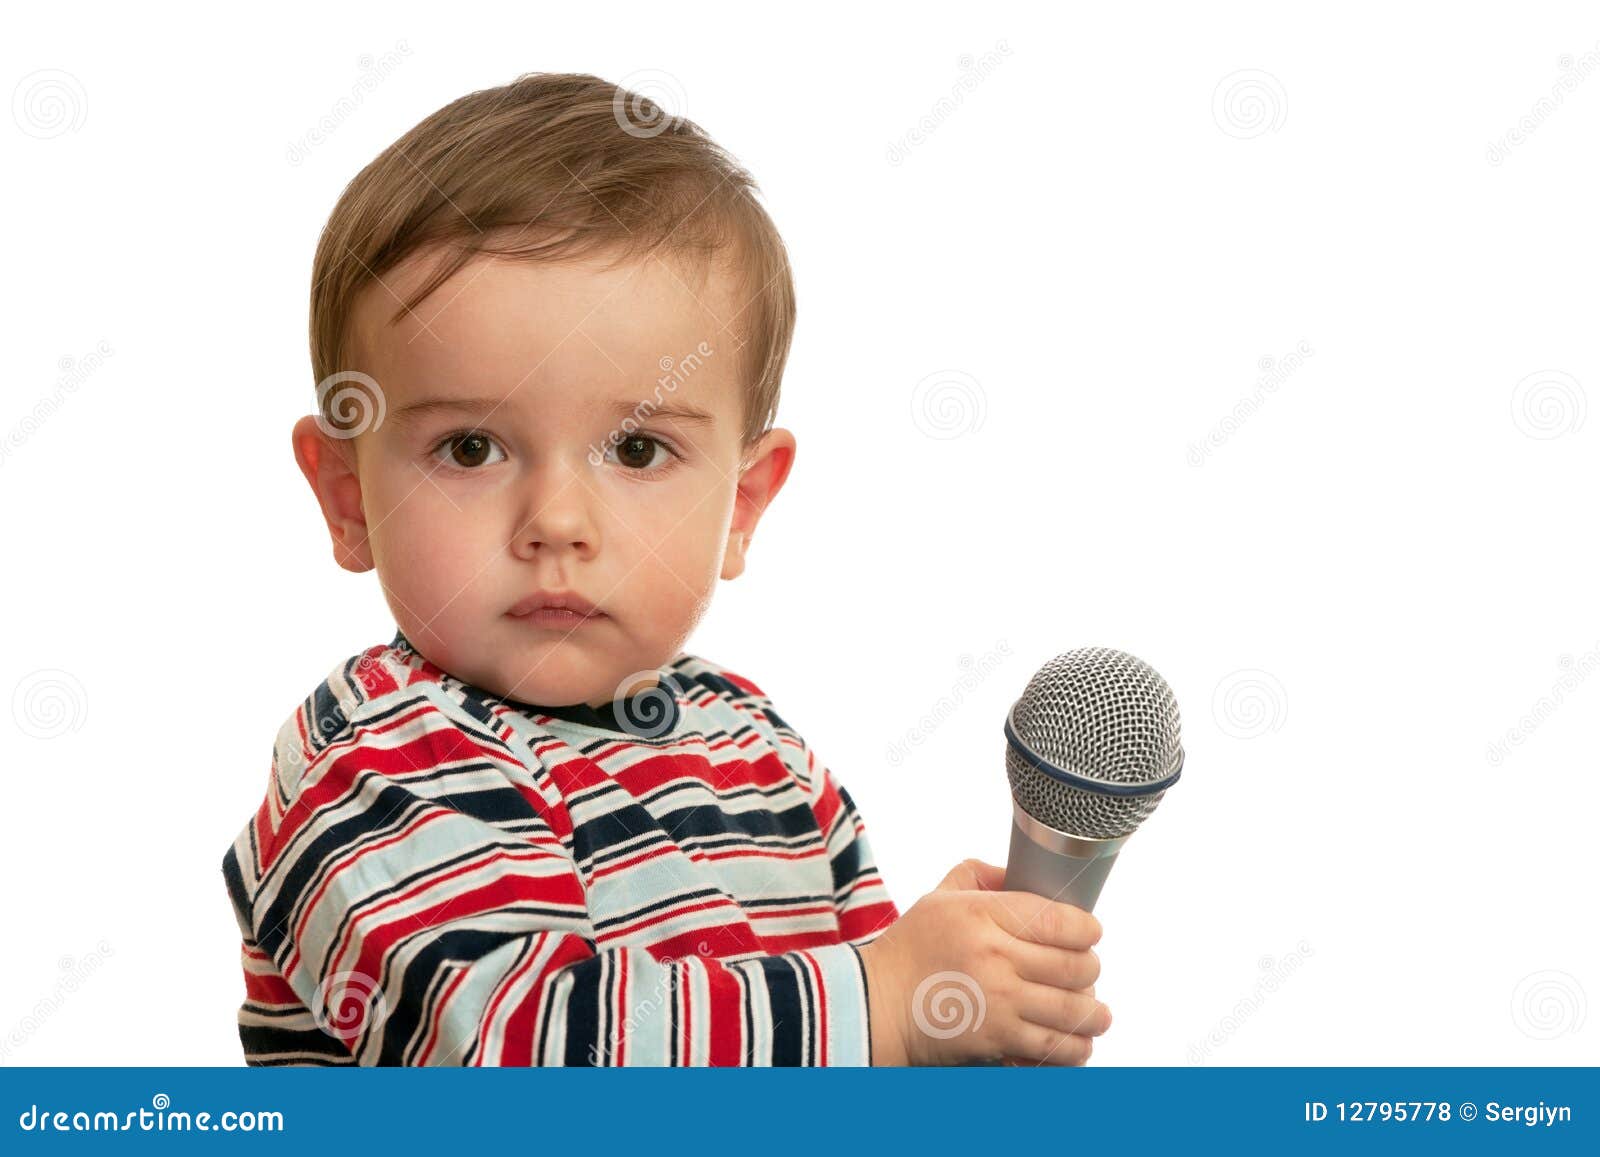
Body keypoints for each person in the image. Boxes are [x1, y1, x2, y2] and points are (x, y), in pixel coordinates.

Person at [220, 71, 1111, 1066]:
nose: (557, 520)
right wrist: (885, 994)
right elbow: (514, 1053)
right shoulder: (371, 757)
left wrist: (954, 1022)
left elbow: (847, 1060)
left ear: (741, 503)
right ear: (349, 497)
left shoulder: (771, 764)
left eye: (638, 451)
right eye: (470, 448)